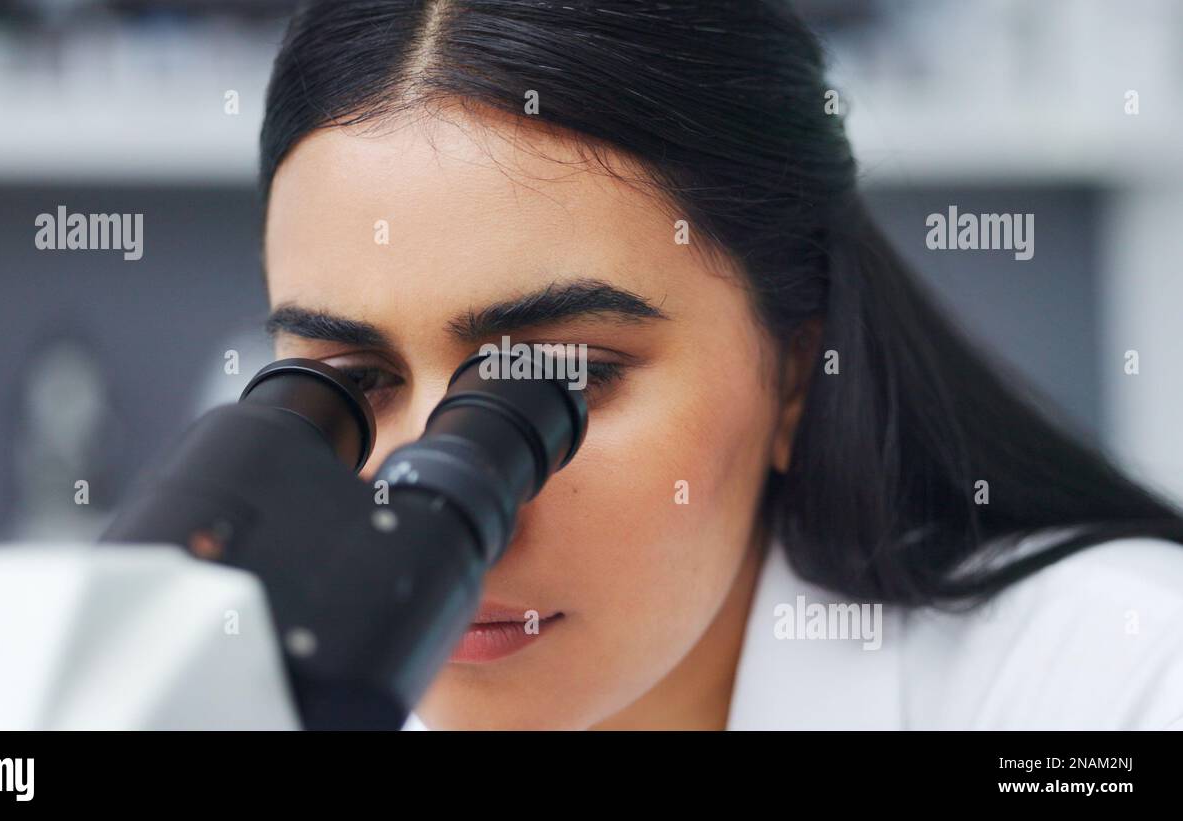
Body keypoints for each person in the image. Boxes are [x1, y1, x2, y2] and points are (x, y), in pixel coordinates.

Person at [255, 0, 1183, 730]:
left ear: (793, 373)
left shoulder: (1116, 682)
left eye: (556, 382)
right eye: (352, 381)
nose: (423, 506)